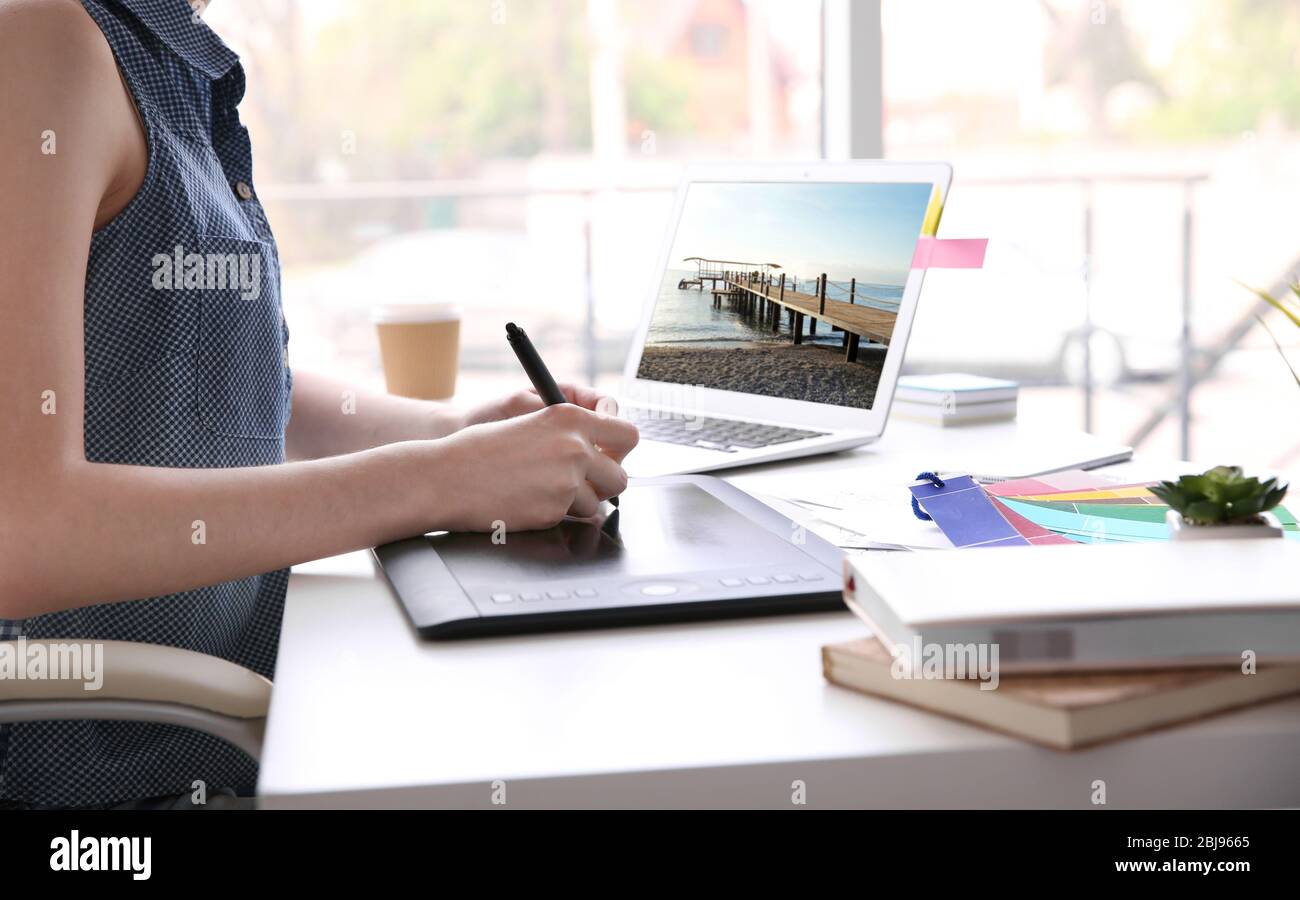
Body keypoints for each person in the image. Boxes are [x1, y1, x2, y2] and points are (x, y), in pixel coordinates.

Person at [0, 0, 637, 808]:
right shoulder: (44, 43)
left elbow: (207, 380)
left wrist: (451, 435)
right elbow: (20, 527)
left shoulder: (164, 66)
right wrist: (436, 481)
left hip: (234, 728)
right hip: (104, 795)